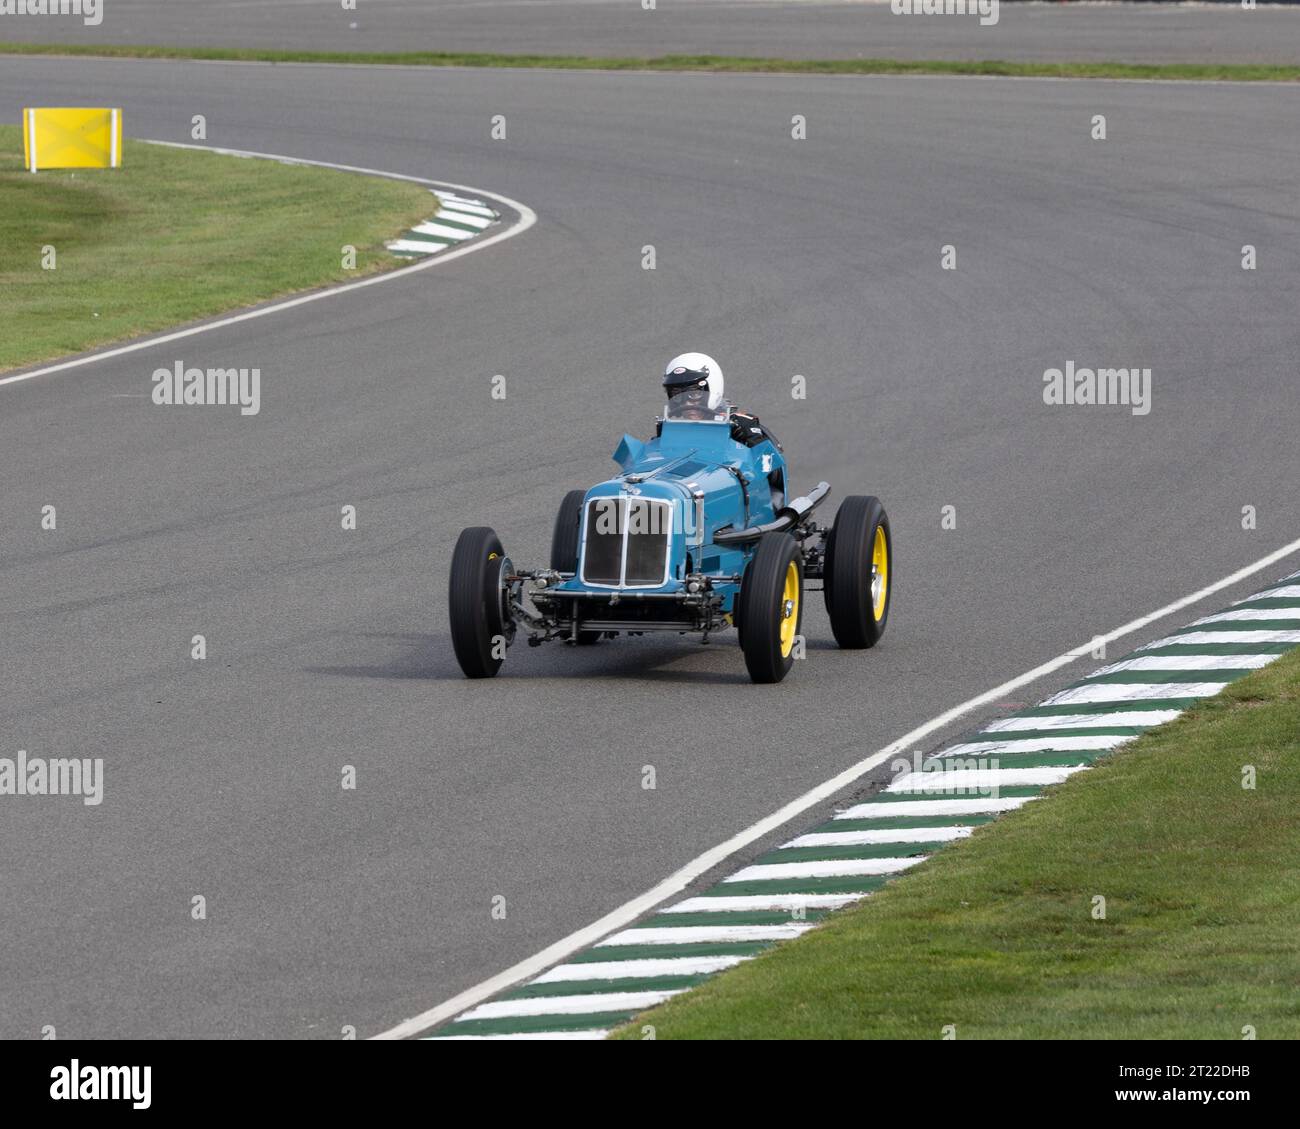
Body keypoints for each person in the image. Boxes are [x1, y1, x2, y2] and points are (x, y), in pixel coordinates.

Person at [660, 352, 781, 450]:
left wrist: (745, 441)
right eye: (677, 395)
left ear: (713, 387)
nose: (686, 403)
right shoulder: (670, 428)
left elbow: (773, 470)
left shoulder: (741, 424)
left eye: (695, 394)